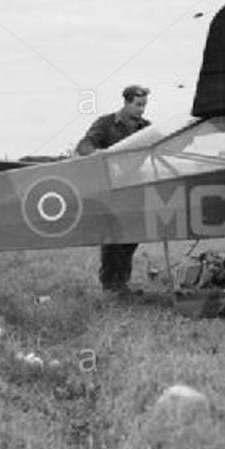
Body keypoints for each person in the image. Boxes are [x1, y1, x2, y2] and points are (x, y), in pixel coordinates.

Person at [76, 85, 151, 294]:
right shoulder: (106, 123)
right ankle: (109, 286)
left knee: (131, 239)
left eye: (144, 105)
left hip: (135, 192)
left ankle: (122, 284)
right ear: (126, 102)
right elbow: (84, 147)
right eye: (138, 105)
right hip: (111, 193)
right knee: (112, 240)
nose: (141, 110)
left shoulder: (146, 127)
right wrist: (106, 157)